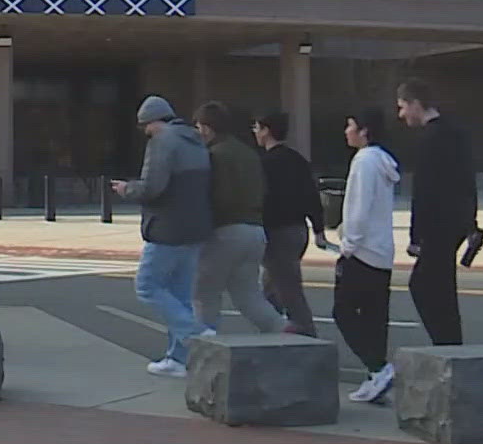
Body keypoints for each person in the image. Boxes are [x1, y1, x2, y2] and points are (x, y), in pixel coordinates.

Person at [113, 96, 214, 375]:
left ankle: (195, 333)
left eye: (145, 127)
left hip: (168, 227)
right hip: (196, 227)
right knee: (180, 294)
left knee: (147, 286)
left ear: (153, 121)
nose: (146, 133)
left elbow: (152, 187)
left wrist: (127, 189)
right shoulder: (196, 141)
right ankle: (178, 360)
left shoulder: (163, 141)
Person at [189, 102, 283, 334]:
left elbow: (213, 196)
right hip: (255, 230)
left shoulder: (213, 155)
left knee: (204, 294)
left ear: (207, 129)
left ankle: (206, 345)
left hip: (225, 230)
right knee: (249, 296)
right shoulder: (248, 153)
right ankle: (283, 332)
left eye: (198, 127)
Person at [396, 79, 478, 346]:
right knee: (442, 289)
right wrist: (470, 222)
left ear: (416, 104)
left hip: (436, 226)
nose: (401, 114)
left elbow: (423, 192)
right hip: (455, 223)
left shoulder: (428, 139)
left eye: (403, 106)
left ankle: (447, 344)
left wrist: (415, 237)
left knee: (423, 287)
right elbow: (468, 181)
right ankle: (450, 342)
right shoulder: (457, 133)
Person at [336, 107, 401, 404]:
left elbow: (358, 208)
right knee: (375, 318)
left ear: (364, 131)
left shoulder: (363, 161)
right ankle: (376, 375)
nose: (346, 131)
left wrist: (348, 244)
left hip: (362, 252)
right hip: (382, 251)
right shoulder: (383, 161)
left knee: (344, 312)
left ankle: (378, 368)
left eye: (350, 125)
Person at [253, 110, 329, 336]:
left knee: (288, 290)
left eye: (257, 128)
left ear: (266, 130)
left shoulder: (265, 163)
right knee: (271, 289)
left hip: (277, 231)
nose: (255, 133)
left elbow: (262, 199)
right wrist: (318, 229)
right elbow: (311, 196)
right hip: (298, 230)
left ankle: (307, 334)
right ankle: (274, 333)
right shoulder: (298, 160)